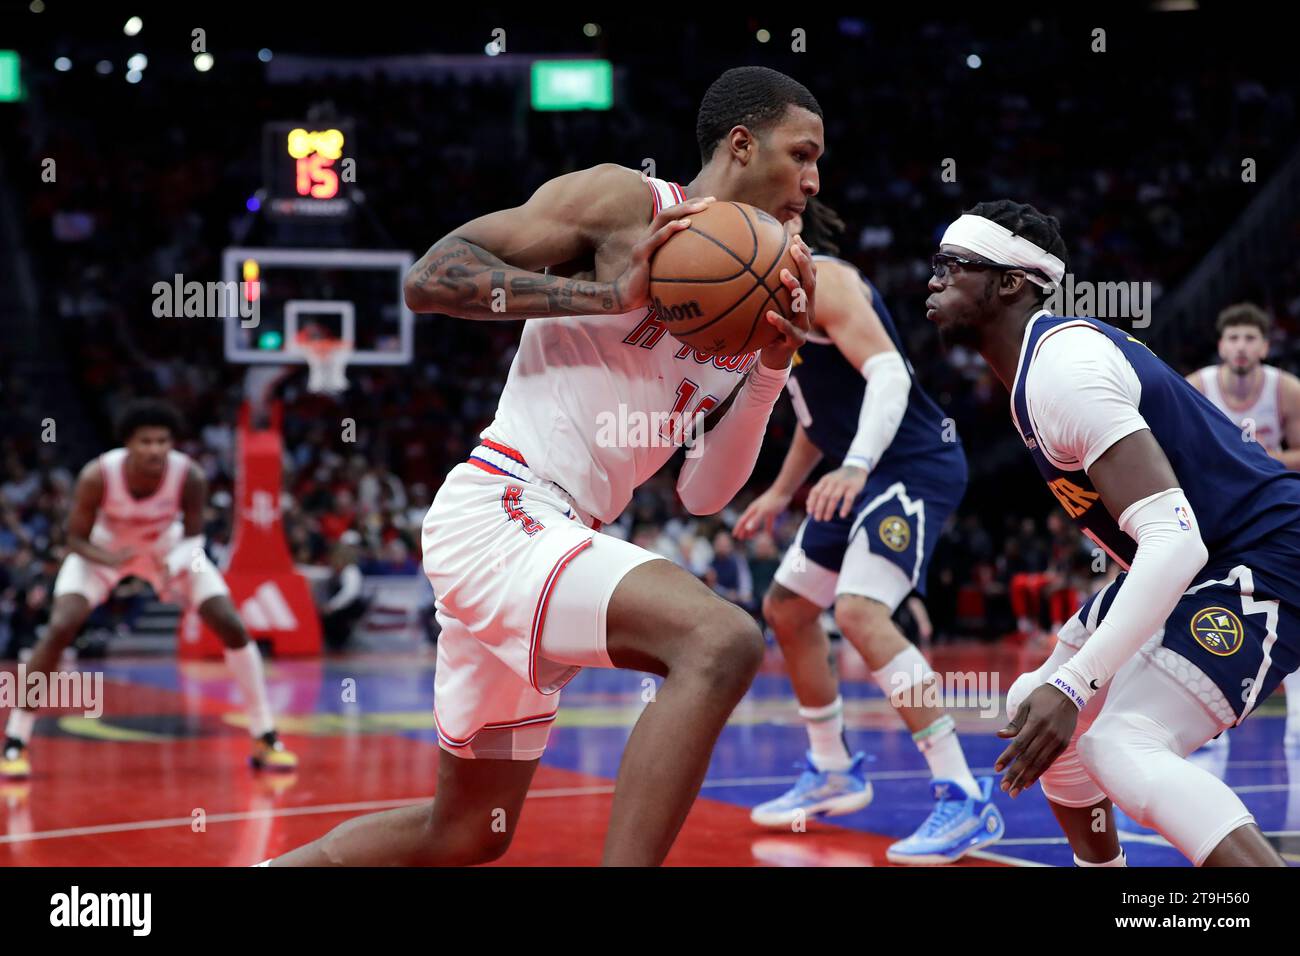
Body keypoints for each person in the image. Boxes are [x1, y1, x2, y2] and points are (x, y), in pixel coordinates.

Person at [266, 66, 821, 867]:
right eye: (802, 154)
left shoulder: (762, 290)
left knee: (460, 835)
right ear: (742, 143)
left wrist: (768, 373)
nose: (812, 182)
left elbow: (704, 495)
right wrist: (604, 298)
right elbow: (430, 279)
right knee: (721, 642)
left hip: (557, 534)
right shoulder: (624, 203)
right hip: (503, 509)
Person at [926, 199, 1298, 866]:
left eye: (952, 266)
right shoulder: (1035, 372)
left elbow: (1174, 540)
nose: (933, 278)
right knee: (1031, 709)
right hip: (1209, 558)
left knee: (1119, 739)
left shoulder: (1064, 371)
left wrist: (1076, 685)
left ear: (1010, 281)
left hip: (1267, 556)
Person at [736, 198, 1001, 864]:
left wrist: (854, 466)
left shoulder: (830, 282)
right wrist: (778, 492)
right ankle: (832, 768)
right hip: (857, 465)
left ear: (789, 230)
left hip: (910, 463)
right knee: (789, 608)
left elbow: (889, 376)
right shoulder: (768, 297)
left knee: (857, 611)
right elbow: (812, 415)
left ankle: (963, 794)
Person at [1, 399, 297, 779]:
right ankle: (16, 738)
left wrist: (174, 566)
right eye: (146, 441)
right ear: (128, 444)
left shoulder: (188, 475)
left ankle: (265, 734)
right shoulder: (98, 475)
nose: (155, 449)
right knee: (61, 627)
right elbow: (74, 538)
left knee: (229, 622)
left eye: (163, 441)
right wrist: (108, 562)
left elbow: (194, 536)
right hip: (104, 551)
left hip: (168, 551)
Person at [1187, 303, 1300, 743]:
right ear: (1221, 345)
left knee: (1288, 605)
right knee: (1199, 608)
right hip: (1215, 516)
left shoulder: (1285, 389)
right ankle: (1199, 715)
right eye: (1233, 338)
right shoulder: (1197, 386)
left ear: (1265, 347)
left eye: (1250, 338)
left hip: (1272, 515)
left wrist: (1259, 460)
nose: (1240, 347)